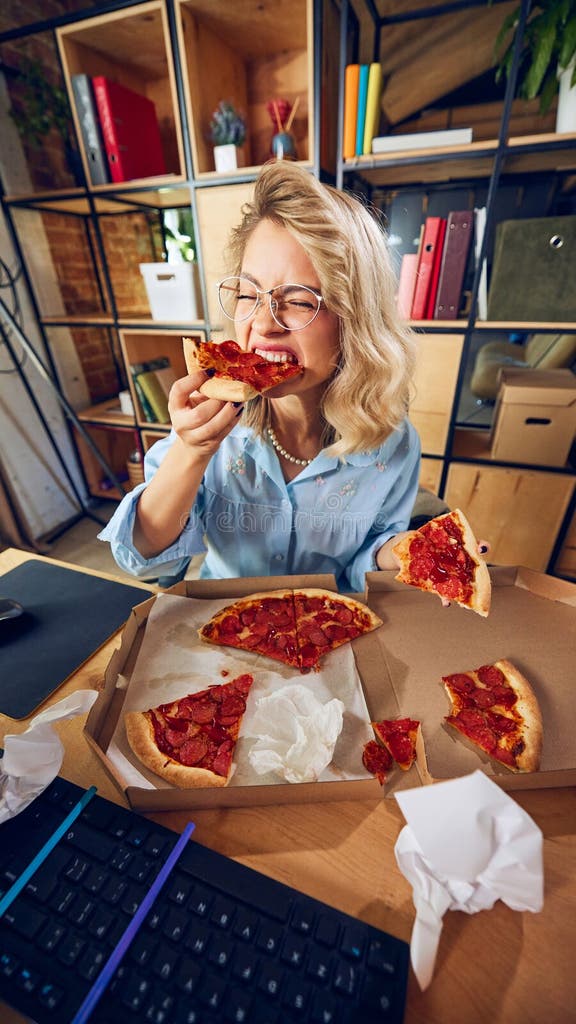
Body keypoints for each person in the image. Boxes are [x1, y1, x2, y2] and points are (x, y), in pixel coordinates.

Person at [99, 161, 424, 593]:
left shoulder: (395, 442)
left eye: (299, 301)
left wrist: (409, 549)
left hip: (326, 625)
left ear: (356, 319)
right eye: (249, 294)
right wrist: (192, 452)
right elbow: (144, 562)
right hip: (225, 625)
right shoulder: (209, 422)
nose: (264, 324)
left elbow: (367, 559)